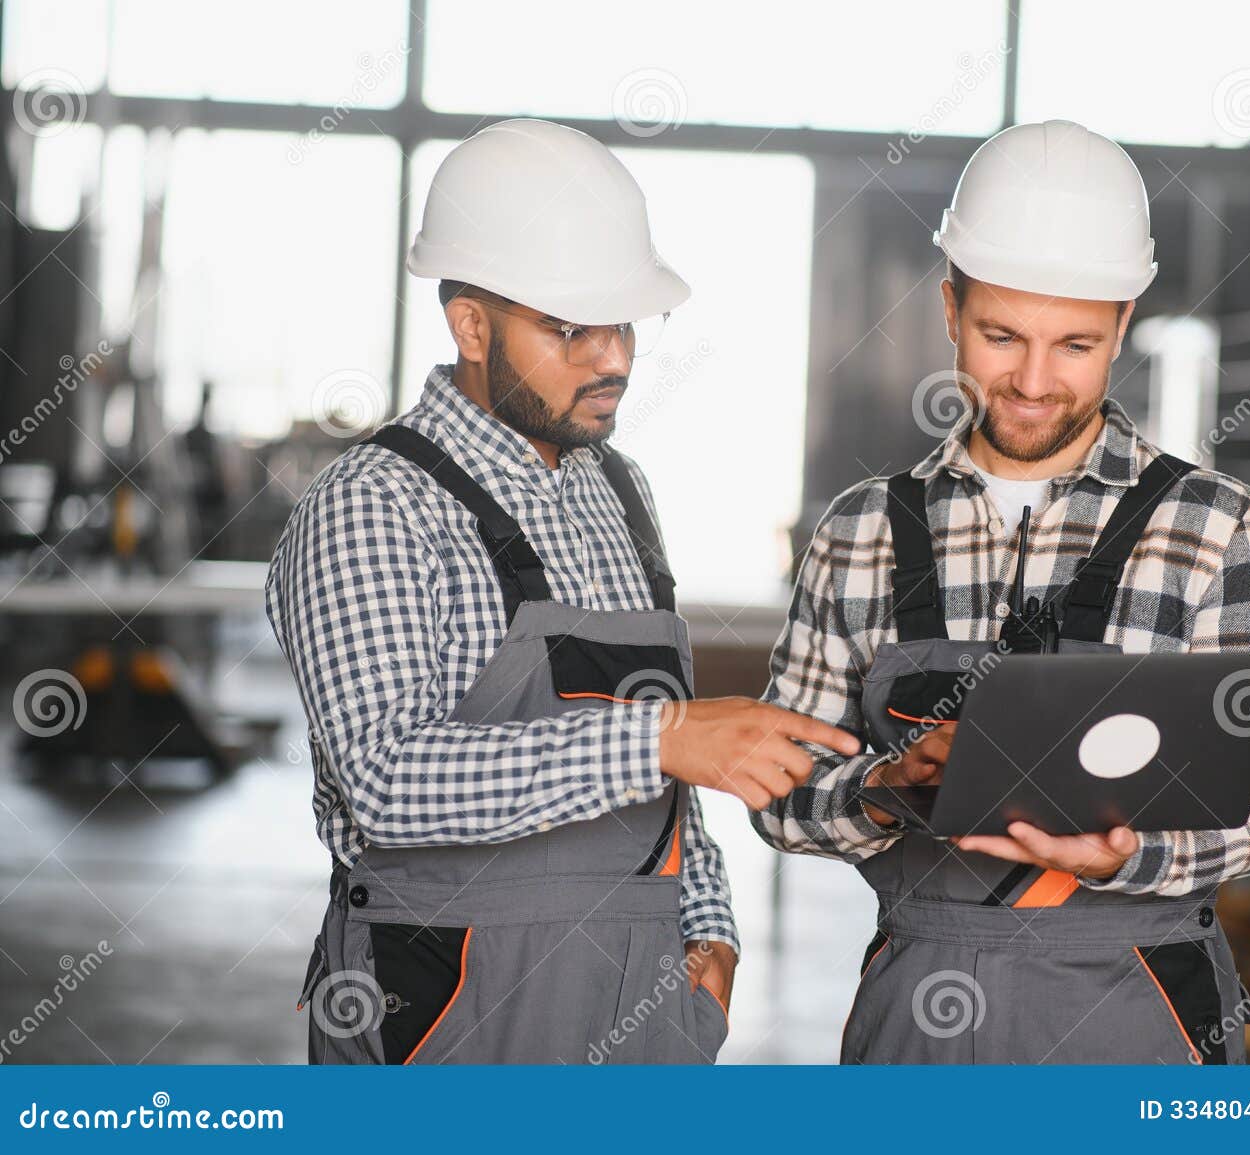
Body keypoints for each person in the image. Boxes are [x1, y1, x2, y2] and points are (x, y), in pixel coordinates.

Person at [267, 119, 858, 1065]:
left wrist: (707, 924)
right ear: (470, 322)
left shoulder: (618, 488)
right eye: (570, 328)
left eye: (625, 322)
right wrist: (662, 737)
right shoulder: (372, 504)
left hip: (640, 995)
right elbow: (381, 780)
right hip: (444, 1006)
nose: (614, 358)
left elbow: (669, 748)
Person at [753, 120, 1250, 1064]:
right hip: (918, 1009)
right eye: (1001, 335)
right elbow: (781, 797)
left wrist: (1131, 856)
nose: (1034, 381)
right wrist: (884, 785)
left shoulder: (1222, 526)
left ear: (1125, 325)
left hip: (1140, 1007)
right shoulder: (859, 533)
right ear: (949, 306)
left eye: (1077, 345)